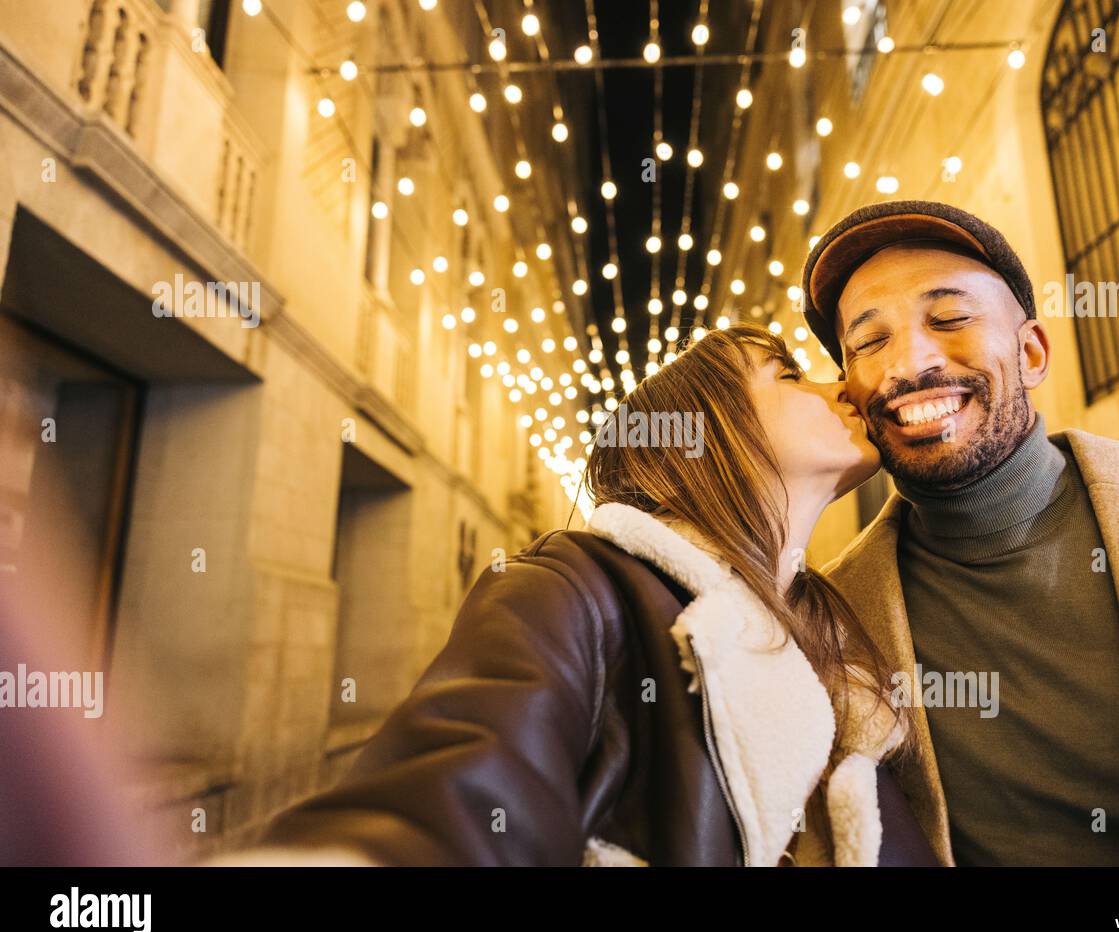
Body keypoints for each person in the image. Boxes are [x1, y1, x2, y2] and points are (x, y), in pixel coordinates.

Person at [212, 326, 937, 867]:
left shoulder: (848, 644)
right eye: (786, 374)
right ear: (709, 436)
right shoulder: (577, 589)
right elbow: (463, 776)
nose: (839, 385)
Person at [801, 199, 1119, 866]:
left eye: (948, 318)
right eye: (868, 341)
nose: (908, 364)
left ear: (1031, 351)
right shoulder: (828, 624)